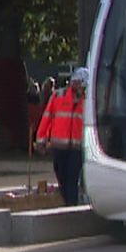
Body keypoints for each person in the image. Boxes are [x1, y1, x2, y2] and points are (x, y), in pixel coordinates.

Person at [35, 68, 88, 205]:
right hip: (58, 147)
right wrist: (41, 140)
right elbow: (46, 118)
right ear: (75, 83)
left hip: (77, 148)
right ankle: (68, 203)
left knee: (72, 178)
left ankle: (71, 206)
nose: (83, 89)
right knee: (62, 178)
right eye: (82, 85)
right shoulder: (58, 96)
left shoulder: (87, 101)